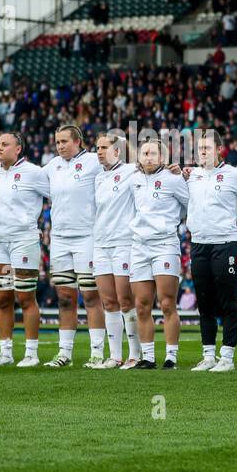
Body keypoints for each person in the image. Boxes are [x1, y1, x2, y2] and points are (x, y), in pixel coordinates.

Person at [0, 132, 50, 367]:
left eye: (5, 144)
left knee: (25, 297)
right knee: (2, 298)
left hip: (23, 239)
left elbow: (57, 195)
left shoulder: (34, 173)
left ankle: (31, 353)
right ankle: (5, 352)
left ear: (19, 148)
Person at [183, 130, 237, 372]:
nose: (202, 152)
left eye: (207, 148)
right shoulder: (192, 175)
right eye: (199, 149)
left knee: (227, 300)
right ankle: (208, 355)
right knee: (205, 302)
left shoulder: (233, 175)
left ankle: (227, 356)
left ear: (220, 149)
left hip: (225, 242)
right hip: (199, 243)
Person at [124, 138, 189, 369]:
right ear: (139, 157)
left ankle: (171, 356)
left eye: (153, 153)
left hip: (164, 244)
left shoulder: (173, 179)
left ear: (162, 157)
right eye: (145, 153)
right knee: (141, 305)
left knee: (167, 302)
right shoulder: (133, 180)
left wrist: (185, 175)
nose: (148, 157)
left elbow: (190, 204)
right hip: (139, 245)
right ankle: (148, 357)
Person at [45, 125, 105, 367]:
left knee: (91, 295)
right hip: (59, 238)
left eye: (64, 141)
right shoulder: (52, 166)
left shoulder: (93, 161)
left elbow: (121, 170)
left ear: (77, 141)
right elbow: (30, 180)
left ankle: (97, 352)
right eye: (57, 142)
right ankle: (64, 354)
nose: (60, 146)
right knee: (65, 298)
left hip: (87, 236)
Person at [88, 132, 141, 369]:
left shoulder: (131, 171)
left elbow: (149, 161)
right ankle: (115, 356)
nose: (99, 151)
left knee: (125, 299)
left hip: (124, 242)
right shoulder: (98, 178)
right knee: (108, 301)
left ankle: (135, 354)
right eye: (97, 148)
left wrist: (124, 140)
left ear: (117, 151)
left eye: (104, 147)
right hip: (101, 244)